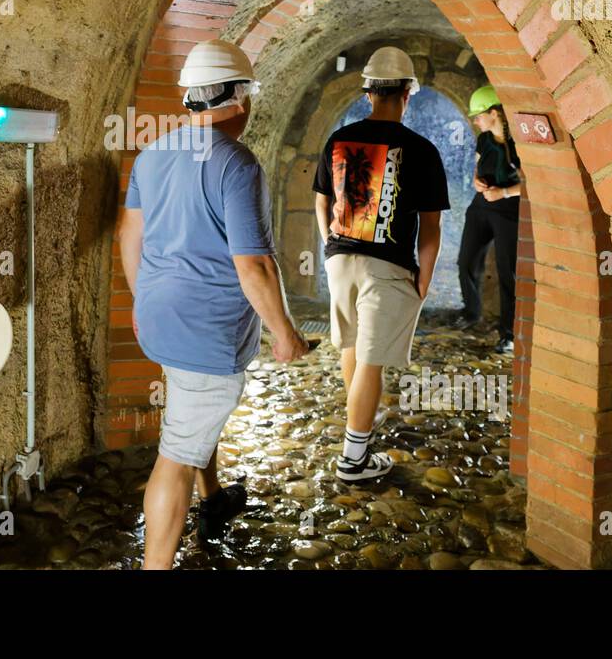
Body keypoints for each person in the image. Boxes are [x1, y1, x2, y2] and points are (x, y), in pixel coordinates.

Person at [118, 39, 309, 569]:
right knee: (175, 454)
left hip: (159, 318)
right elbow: (254, 266)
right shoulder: (237, 164)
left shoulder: (153, 152)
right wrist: (284, 333)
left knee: (189, 411)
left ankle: (212, 497)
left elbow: (129, 234)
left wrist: (141, 300)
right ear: (241, 98)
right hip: (207, 328)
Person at [313, 46, 448, 483]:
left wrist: (329, 245)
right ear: (407, 94)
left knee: (352, 347)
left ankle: (361, 437)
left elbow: (321, 201)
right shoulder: (422, 150)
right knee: (372, 362)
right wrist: (423, 282)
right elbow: (430, 228)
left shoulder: (339, 139)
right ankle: (353, 460)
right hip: (386, 267)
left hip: (339, 258)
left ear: (368, 93)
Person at [453, 85, 523, 354]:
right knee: (466, 261)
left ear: (495, 113)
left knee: (509, 274)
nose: (475, 120)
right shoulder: (483, 139)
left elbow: (533, 184)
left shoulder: (518, 144)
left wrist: (503, 192)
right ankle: (471, 312)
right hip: (481, 207)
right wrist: (478, 183)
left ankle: (509, 334)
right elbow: (476, 169)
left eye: (479, 114)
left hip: (509, 211)